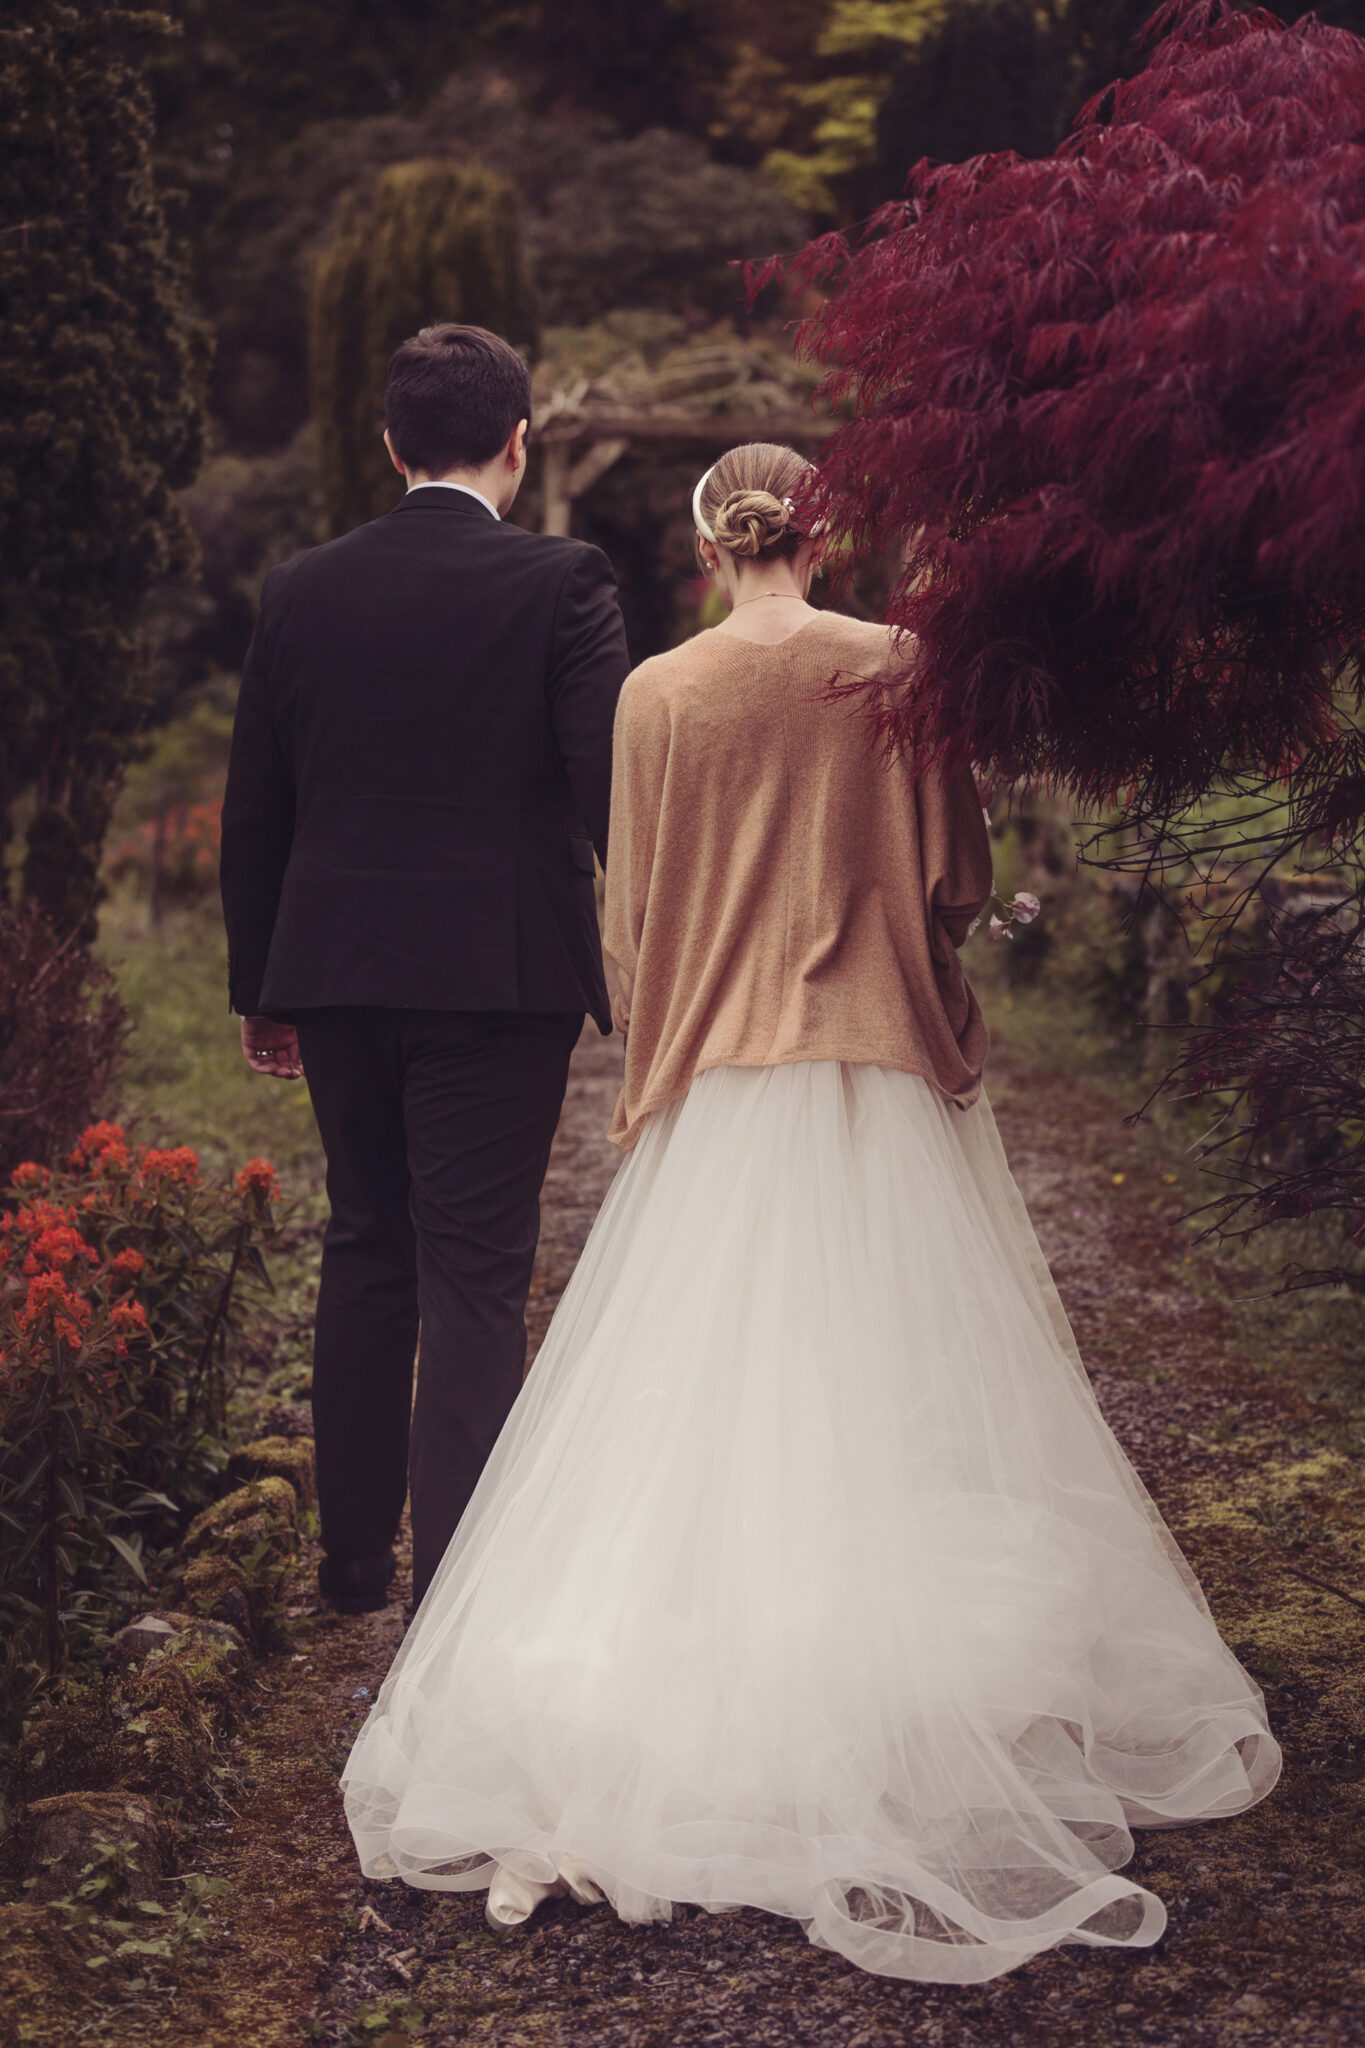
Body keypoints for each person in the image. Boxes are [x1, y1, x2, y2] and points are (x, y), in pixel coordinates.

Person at [340, 442, 1280, 1983]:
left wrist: (657, 1049)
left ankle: (721, 1665)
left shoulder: (655, 694)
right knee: (898, 1377)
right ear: (818, 529)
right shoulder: (895, 665)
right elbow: (953, 868)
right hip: (871, 1063)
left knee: (699, 1393)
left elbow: (630, 911)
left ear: (705, 542)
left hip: (719, 1072)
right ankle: (891, 1673)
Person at [219, 323, 629, 1617]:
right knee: (473, 1269)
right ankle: (455, 1593)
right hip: (503, 978)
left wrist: (259, 985)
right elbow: (607, 784)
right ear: (519, 442)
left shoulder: (299, 590)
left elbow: (255, 808)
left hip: (334, 964)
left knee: (366, 1239)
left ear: (390, 444)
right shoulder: (564, 585)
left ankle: (349, 1560)